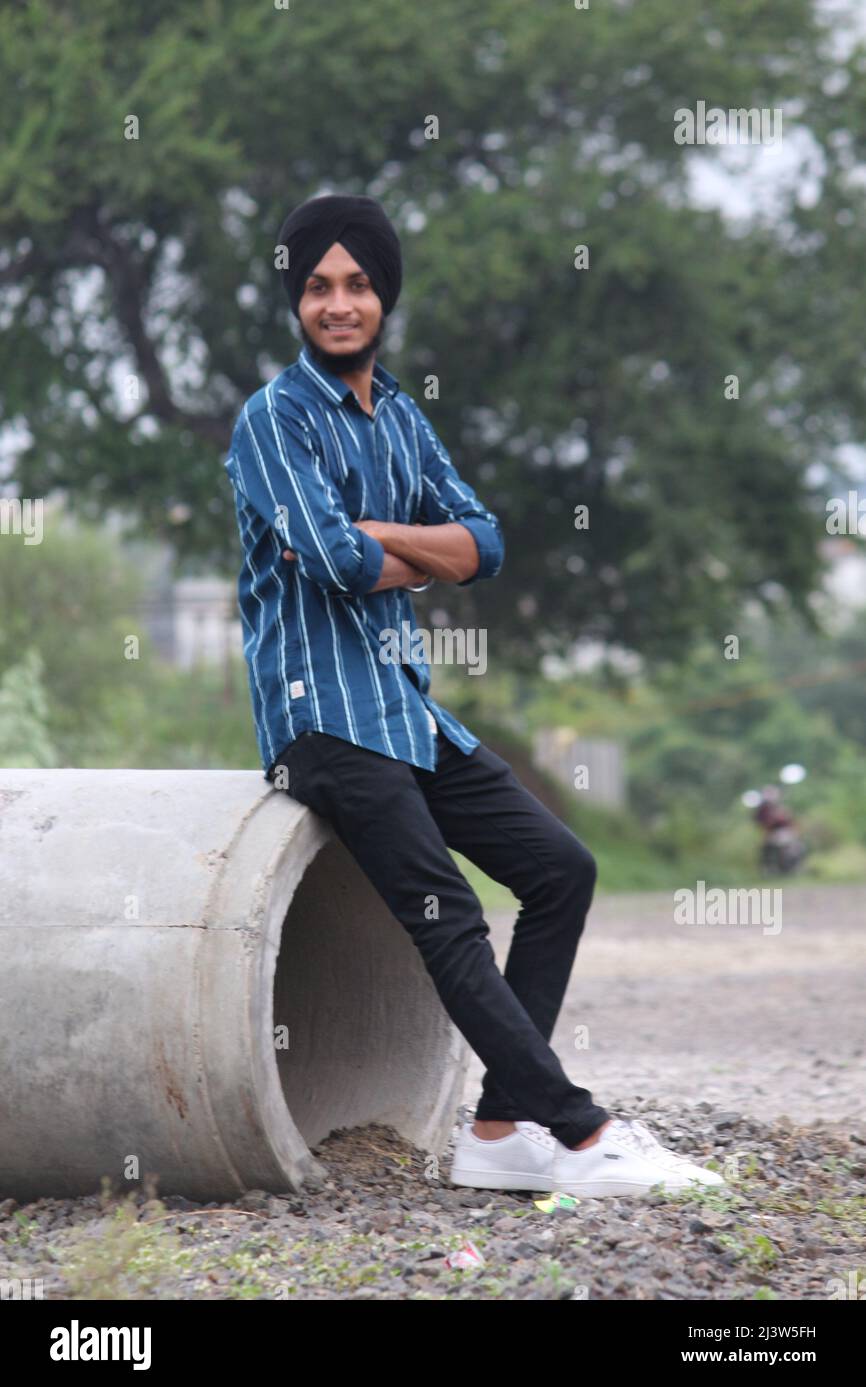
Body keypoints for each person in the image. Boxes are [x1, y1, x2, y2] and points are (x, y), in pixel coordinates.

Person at [223, 193, 723, 1197]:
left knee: (559, 869)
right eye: (317, 287)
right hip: (321, 719)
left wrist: (384, 539)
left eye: (356, 284)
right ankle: (580, 1134)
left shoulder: (401, 416)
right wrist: (413, 552)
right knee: (447, 915)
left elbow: (484, 544)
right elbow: (329, 563)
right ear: (296, 302)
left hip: (403, 710)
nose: (336, 303)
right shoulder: (271, 420)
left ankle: (497, 1126)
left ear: (383, 295)